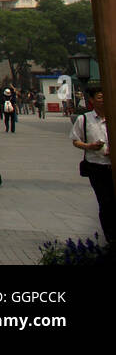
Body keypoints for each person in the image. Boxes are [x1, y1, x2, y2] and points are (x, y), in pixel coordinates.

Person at [71, 86, 112, 242]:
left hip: (111, 164)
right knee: (105, 201)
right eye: (100, 98)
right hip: (96, 166)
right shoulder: (84, 119)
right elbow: (76, 141)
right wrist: (89, 146)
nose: (103, 101)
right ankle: (109, 237)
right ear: (92, 101)